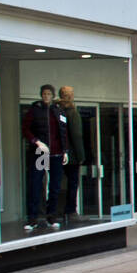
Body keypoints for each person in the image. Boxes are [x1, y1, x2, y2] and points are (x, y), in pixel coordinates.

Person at [21, 84, 68, 231]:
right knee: (36, 183)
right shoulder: (34, 110)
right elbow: (25, 129)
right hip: (41, 152)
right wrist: (36, 142)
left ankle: (51, 215)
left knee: (54, 185)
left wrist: (65, 150)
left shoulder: (58, 110)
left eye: (49, 94)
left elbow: (63, 132)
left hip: (56, 153)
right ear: (41, 95)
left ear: (53, 96)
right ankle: (33, 218)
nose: (46, 96)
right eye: (44, 94)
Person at [56, 85, 86, 223]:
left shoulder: (55, 110)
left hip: (56, 153)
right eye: (70, 94)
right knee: (73, 183)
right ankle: (71, 211)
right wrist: (81, 156)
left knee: (56, 183)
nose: (71, 96)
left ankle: (55, 212)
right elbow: (77, 135)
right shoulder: (72, 113)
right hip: (71, 155)